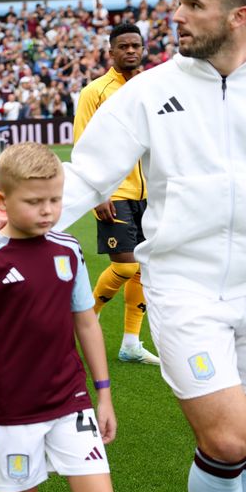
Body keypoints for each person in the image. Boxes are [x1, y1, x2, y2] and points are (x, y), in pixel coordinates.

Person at [51, 0, 246, 492]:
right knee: (227, 442)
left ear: (239, 16)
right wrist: (13, 224)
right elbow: (86, 174)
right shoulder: (149, 90)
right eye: (178, 2)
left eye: (194, 4)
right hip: (185, 289)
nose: (177, 15)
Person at [0, 142, 116, 492]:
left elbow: (86, 323)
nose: (47, 210)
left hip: (70, 398)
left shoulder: (68, 249)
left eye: (55, 200)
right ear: (2, 201)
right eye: (34, 202)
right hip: (11, 408)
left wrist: (104, 393)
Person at [73, 22, 159, 366]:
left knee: (144, 268)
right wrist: (99, 193)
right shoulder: (94, 92)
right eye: (123, 46)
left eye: (136, 45)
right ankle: (85, 319)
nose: (131, 51)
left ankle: (131, 344)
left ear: (143, 48)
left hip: (150, 192)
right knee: (126, 266)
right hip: (114, 191)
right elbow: (82, 143)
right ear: (111, 52)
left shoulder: (151, 87)